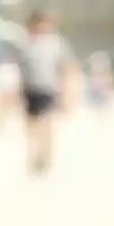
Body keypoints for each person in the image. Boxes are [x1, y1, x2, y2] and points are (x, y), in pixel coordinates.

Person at [15, 10, 73, 175]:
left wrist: (67, 94)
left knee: (47, 124)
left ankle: (46, 157)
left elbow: (66, 68)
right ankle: (36, 155)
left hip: (49, 89)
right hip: (31, 90)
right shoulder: (26, 44)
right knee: (33, 126)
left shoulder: (55, 44)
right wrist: (19, 93)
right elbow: (20, 70)